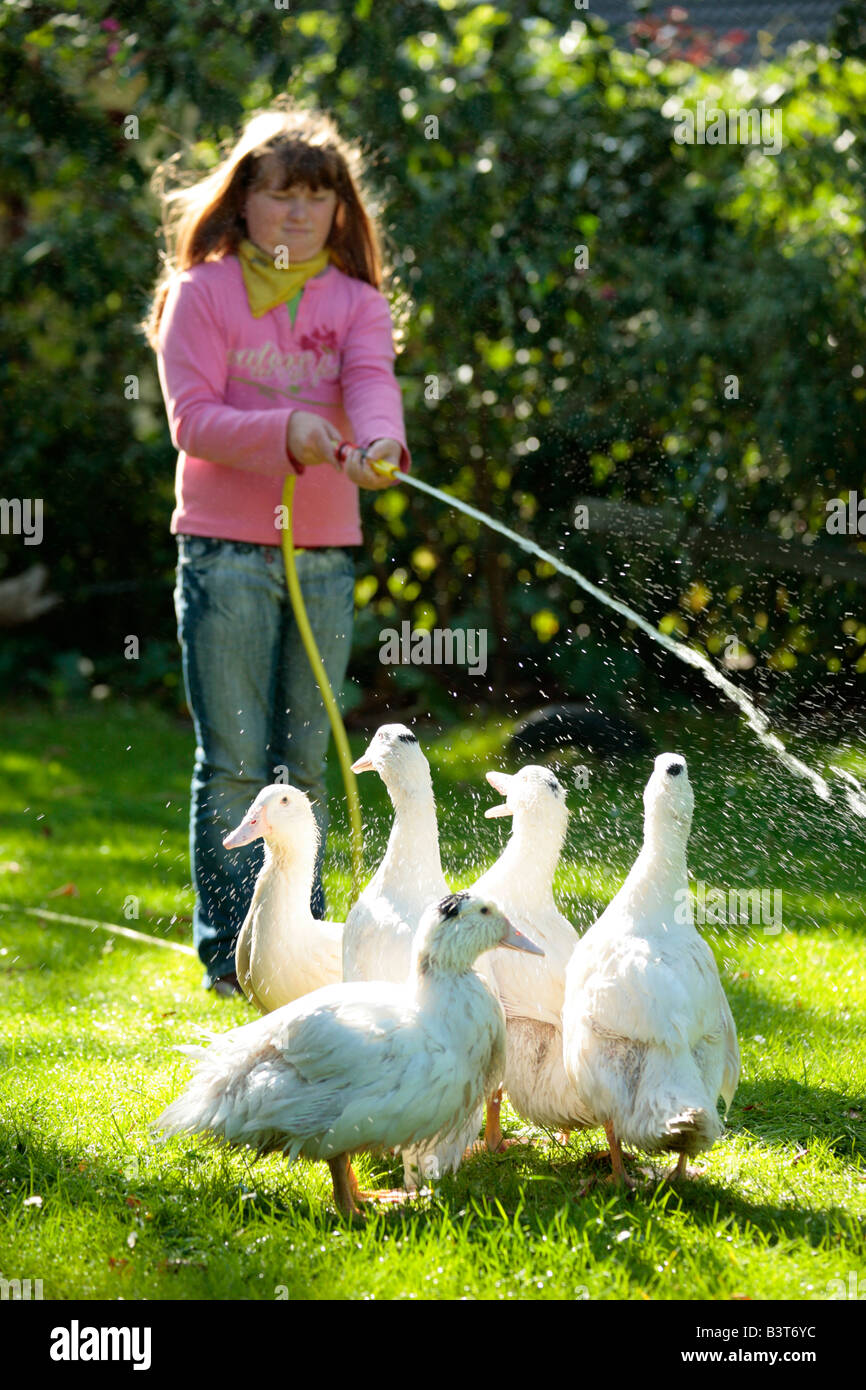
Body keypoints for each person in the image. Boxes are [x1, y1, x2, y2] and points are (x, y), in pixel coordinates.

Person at [142, 102, 409, 996]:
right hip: (222, 552)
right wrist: (286, 428)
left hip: (323, 550)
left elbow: (371, 385)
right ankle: (233, 956)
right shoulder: (202, 295)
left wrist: (380, 446)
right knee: (236, 760)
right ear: (243, 203)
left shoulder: (357, 302)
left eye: (318, 196)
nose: (299, 213)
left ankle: (305, 946)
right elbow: (193, 422)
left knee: (310, 762)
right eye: (280, 194)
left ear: (340, 210)